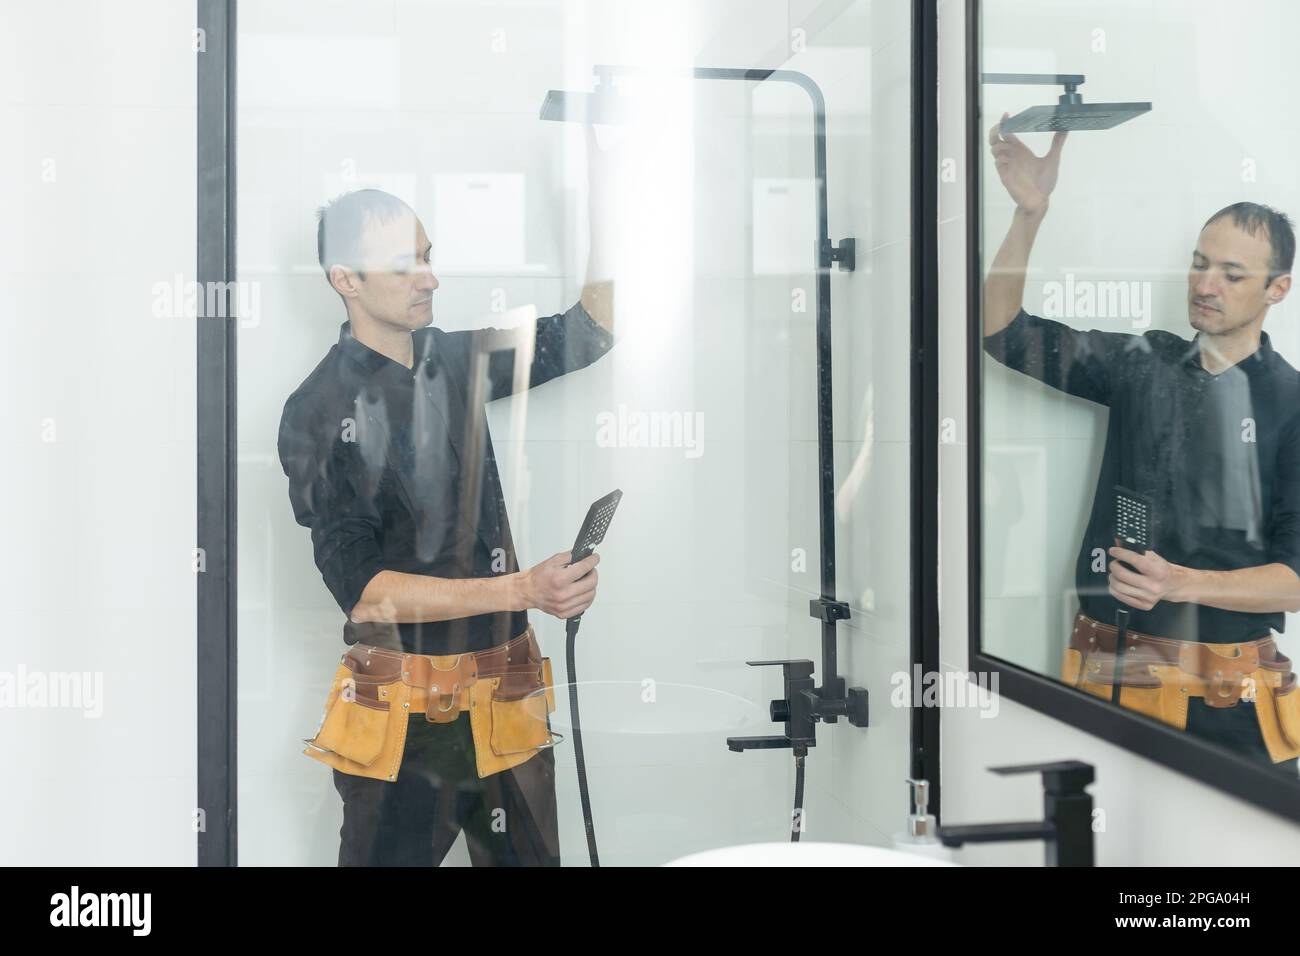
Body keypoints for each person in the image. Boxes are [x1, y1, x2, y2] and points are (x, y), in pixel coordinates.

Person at [278, 137, 617, 865]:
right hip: (401, 718)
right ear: (346, 278)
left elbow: (589, 334)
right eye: (405, 265)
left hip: (505, 698)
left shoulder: (457, 361)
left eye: (428, 254)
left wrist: (606, 189)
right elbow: (365, 594)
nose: (430, 277)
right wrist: (526, 586)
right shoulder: (317, 409)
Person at [982, 111, 1300, 771]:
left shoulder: (1293, 404)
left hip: (1230, 703)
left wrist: (1180, 583)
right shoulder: (1141, 362)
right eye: (1199, 264)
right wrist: (1030, 215)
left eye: (1232, 274)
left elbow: (1296, 580)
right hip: (1106, 673)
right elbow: (1001, 331)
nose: (1206, 285)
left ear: (1277, 289)